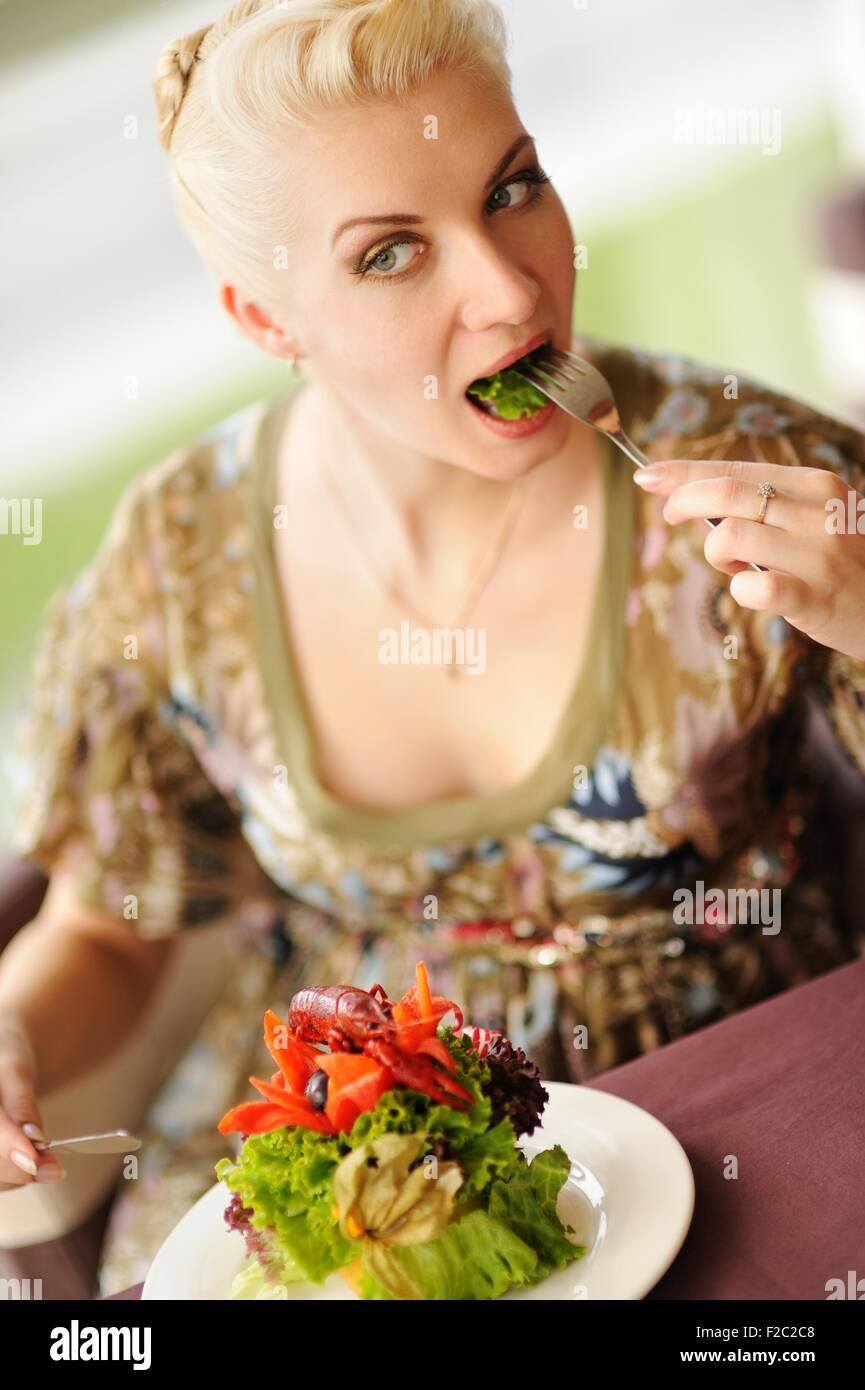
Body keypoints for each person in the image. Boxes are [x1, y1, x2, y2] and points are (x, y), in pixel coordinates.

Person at [2, 0, 865, 1299]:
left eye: (512, 187)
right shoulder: (177, 557)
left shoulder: (761, 465)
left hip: (724, 1104)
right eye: (391, 252)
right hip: (358, 1148)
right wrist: (13, 1029)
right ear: (263, 314)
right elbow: (115, 933)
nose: (510, 288)